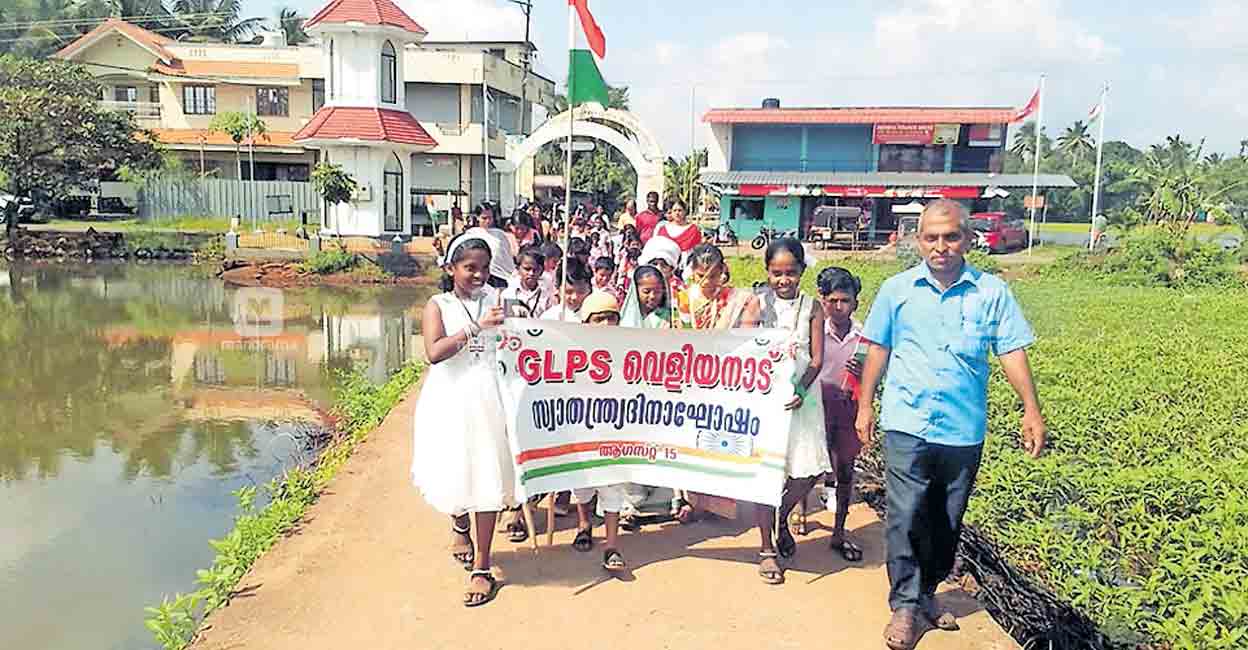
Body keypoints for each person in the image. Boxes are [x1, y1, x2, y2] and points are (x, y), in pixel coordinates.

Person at [855, 200, 1046, 649]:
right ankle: (904, 605)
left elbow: (1012, 351)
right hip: (907, 419)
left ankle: (926, 593)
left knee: (946, 518)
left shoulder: (991, 292)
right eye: (931, 238)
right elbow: (877, 349)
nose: (941, 247)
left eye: (951, 237)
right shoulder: (896, 290)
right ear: (918, 239)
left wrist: (1031, 409)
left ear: (968, 237)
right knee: (904, 513)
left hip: (963, 426)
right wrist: (865, 405)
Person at [411, 235, 513, 607]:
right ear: (452, 269)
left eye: (485, 268)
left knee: (488, 474)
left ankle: (483, 567)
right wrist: (477, 327)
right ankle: (459, 524)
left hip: (490, 397)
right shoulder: (437, 305)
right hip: (451, 400)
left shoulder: (497, 301)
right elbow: (435, 352)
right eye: (470, 268)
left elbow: (513, 343)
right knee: (457, 471)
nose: (479, 275)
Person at [752, 237, 832, 585]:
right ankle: (766, 548)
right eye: (776, 273)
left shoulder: (812, 306)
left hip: (803, 397)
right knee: (765, 472)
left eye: (791, 273)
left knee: (808, 469)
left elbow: (817, 357)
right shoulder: (756, 304)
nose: (783, 280)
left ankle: (781, 516)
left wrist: (800, 388)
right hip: (766, 398)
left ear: (801, 271)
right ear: (767, 272)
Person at [570, 291, 630, 572]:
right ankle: (584, 525)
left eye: (611, 318)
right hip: (581, 426)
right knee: (580, 483)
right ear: (587, 322)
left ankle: (611, 545)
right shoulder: (572, 351)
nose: (606, 324)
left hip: (614, 428)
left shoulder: (631, 352)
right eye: (599, 318)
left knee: (613, 485)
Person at [815, 266, 866, 563]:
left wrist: (866, 372)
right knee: (806, 468)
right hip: (816, 407)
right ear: (822, 301)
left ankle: (839, 530)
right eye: (832, 300)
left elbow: (876, 374)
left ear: (855, 303)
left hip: (848, 409)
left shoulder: (863, 337)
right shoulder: (814, 332)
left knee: (845, 470)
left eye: (844, 300)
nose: (838, 306)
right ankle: (797, 515)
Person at [676, 243, 760, 331]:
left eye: (713, 276)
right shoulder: (686, 298)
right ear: (693, 271)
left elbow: (747, 334)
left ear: (722, 271)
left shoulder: (738, 298)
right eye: (701, 276)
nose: (706, 282)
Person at [502, 245, 554, 318]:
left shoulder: (547, 295)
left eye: (535, 270)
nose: (531, 273)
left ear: (541, 271)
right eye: (527, 269)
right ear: (518, 269)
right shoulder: (509, 293)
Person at [620, 265, 675, 329]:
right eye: (646, 291)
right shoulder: (626, 319)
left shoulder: (670, 318)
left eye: (657, 292)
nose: (652, 296)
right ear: (635, 291)